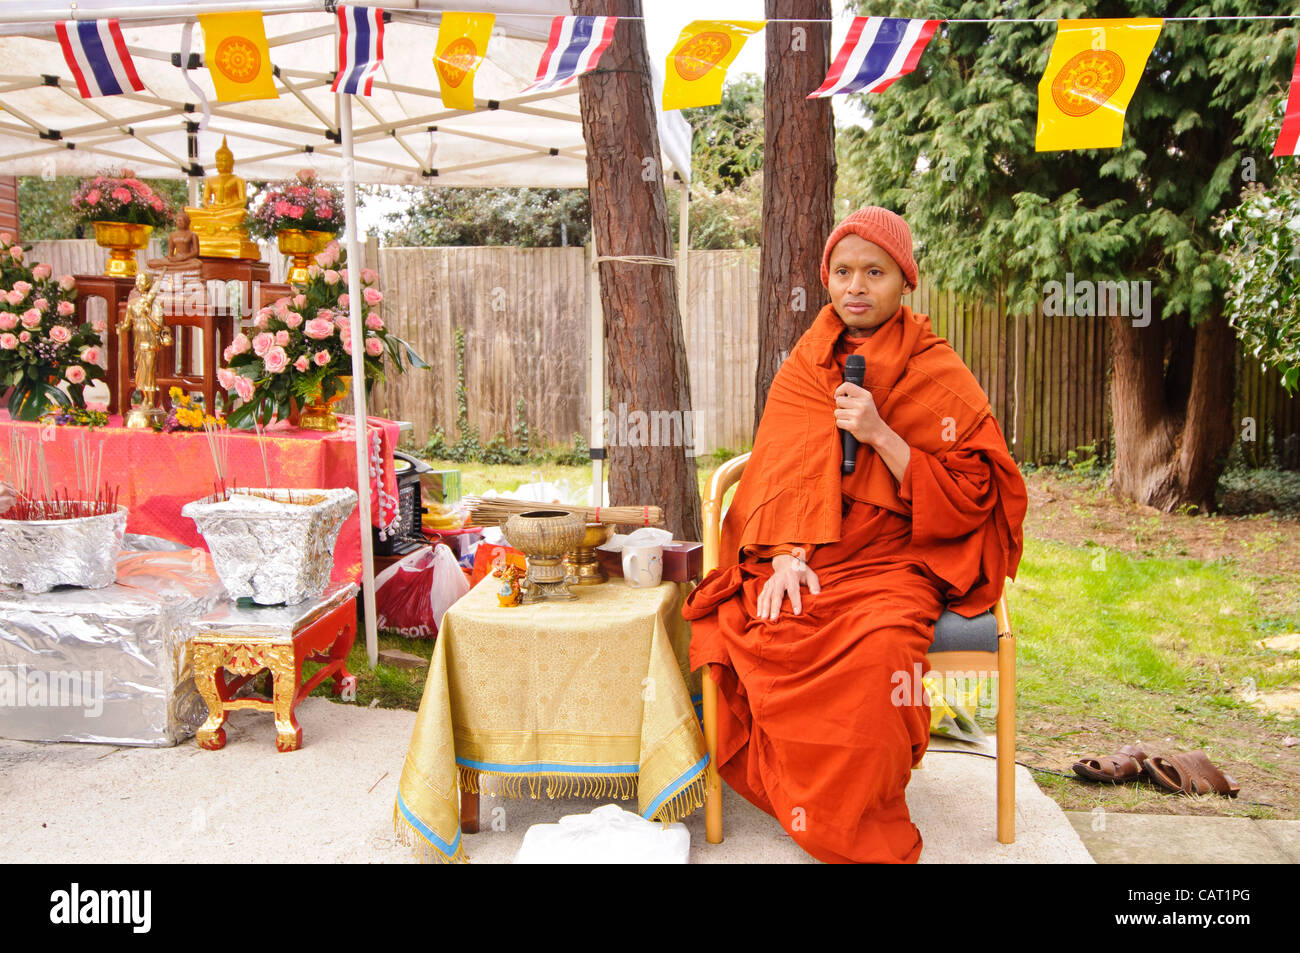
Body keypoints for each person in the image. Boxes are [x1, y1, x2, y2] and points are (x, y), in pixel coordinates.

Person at [682, 207, 1028, 864]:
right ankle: (806, 798)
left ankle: (860, 823)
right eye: (842, 271)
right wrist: (784, 553)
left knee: (881, 656)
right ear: (828, 279)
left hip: (897, 559)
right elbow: (778, 477)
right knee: (770, 623)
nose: (856, 286)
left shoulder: (933, 367)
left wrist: (880, 434)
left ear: (905, 281)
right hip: (809, 556)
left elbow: (973, 491)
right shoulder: (806, 364)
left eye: (875, 271)